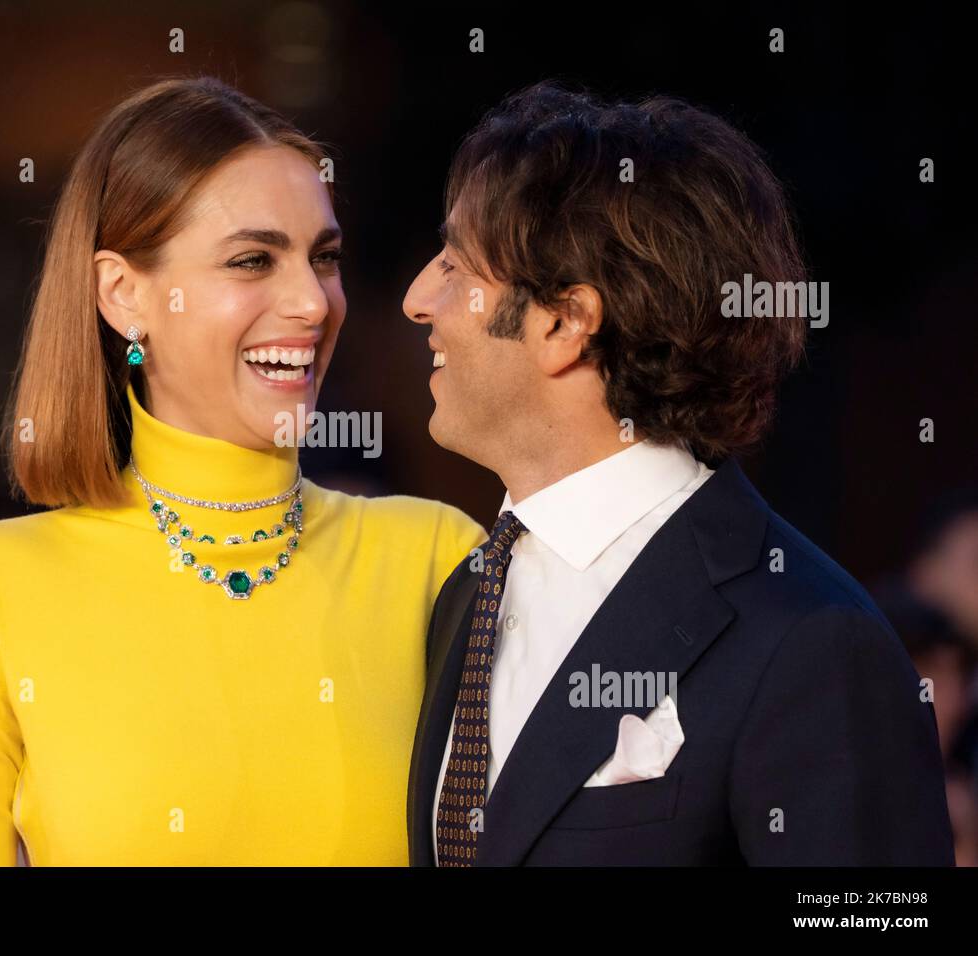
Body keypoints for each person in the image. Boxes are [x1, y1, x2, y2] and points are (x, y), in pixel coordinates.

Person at [0, 76, 485, 865]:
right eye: (252, 261)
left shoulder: (437, 556)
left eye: (325, 258)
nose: (312, 302)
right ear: (123, 294)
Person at [402, 81, 953, 866]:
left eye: (455, 263)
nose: (421, 299)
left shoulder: (812, 642)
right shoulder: (468, 590)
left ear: (565, 321)